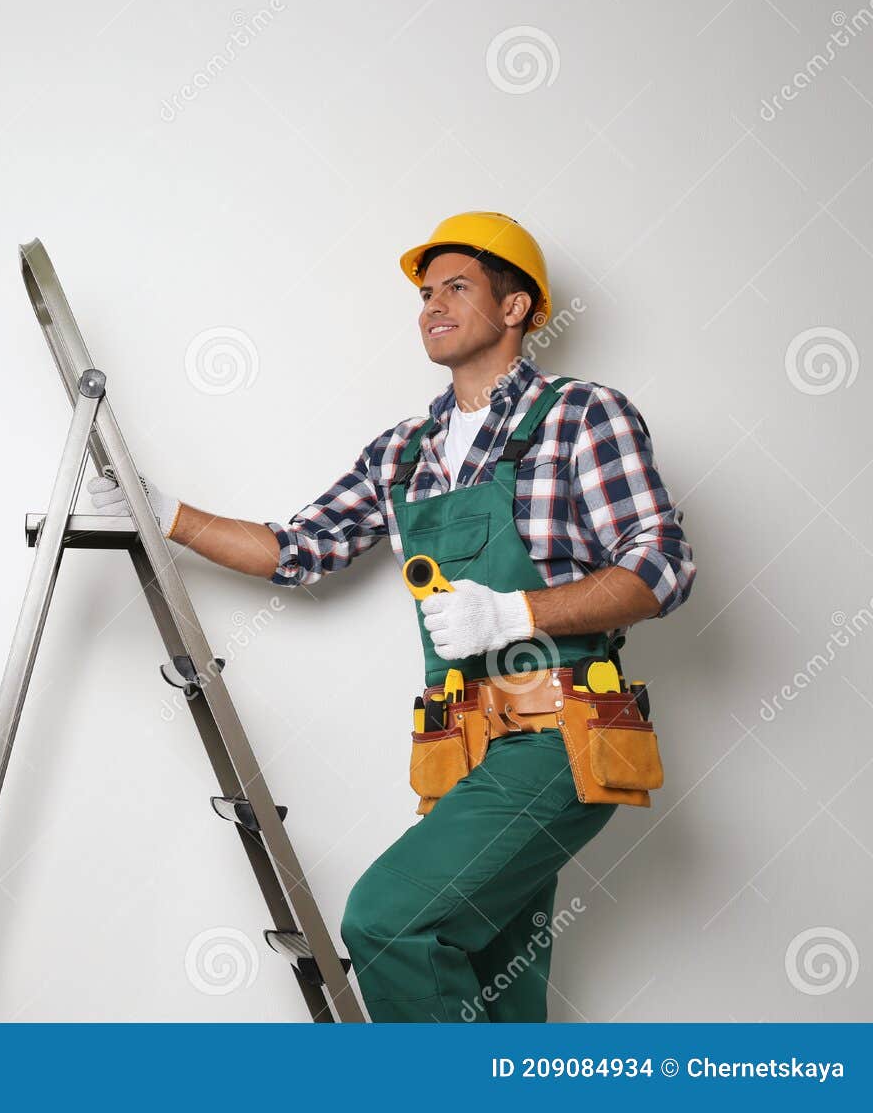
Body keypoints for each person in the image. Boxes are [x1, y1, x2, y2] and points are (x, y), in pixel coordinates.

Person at [87, 211, 695, 1022]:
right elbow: (300, 549)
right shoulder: (404, 450)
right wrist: (165, 512)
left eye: (456, 287)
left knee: (387, 922)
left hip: (564, 738)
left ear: (516, 308)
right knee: (492, 981)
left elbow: (662, 565)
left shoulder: (582, 415)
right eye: (423, 293)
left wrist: (513, 611)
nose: (431, 306)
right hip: (464, 751)